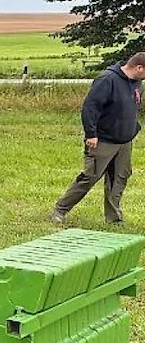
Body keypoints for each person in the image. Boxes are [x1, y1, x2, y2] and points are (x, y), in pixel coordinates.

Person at [52, 52, 145, 225]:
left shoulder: (137, 83)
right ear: (139, 68)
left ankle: (114, 218)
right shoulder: (107, 80)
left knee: (119, 178)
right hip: (102, 140)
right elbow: (89, 108)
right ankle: (60, 210)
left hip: (124, 141)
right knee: (89, 177)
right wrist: (91, 134)